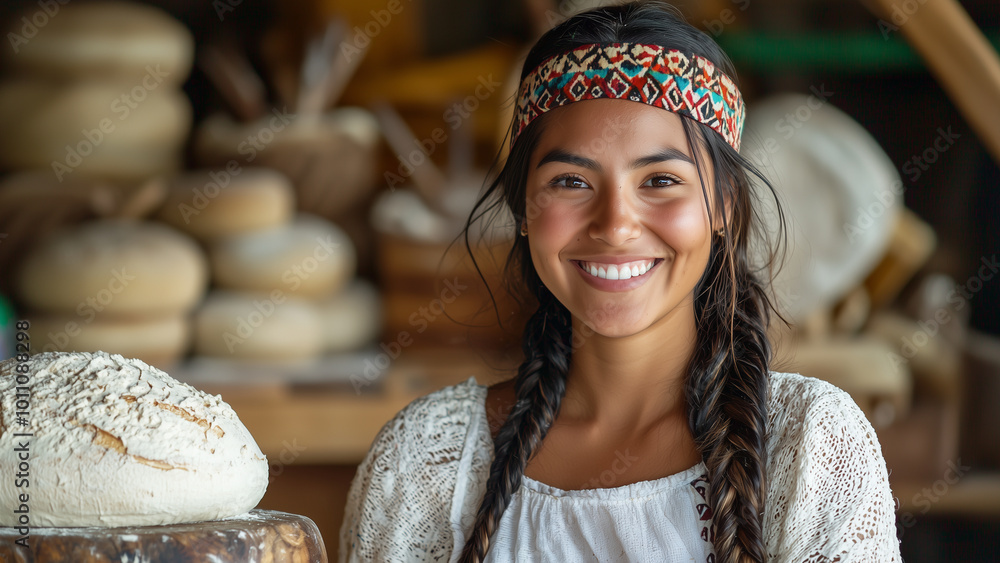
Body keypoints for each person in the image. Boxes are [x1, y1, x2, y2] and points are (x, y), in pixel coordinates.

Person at [340, 1, 902, 561]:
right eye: (571, 181)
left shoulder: (807, 448)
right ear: (524, 210)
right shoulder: (426, 464)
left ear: (725, 204)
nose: (614, 225)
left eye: (659, 179)